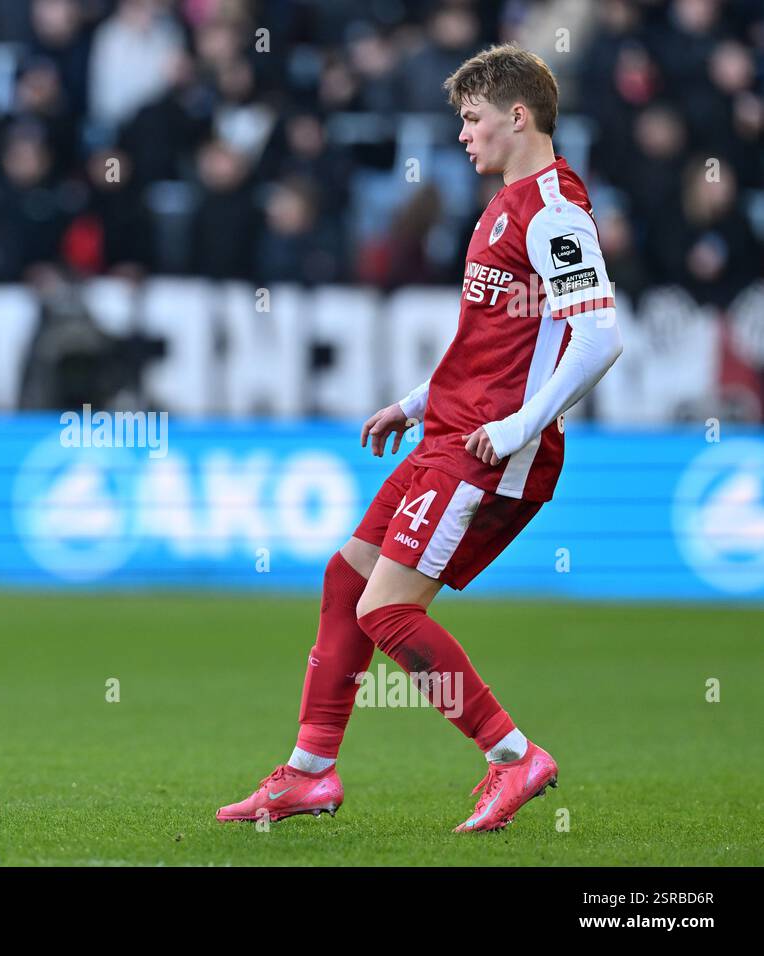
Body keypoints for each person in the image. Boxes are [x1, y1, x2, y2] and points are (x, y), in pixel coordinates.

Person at [217, 44, 624, 833]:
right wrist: (414, 402)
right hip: (447, 432)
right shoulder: (507, 204)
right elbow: (495, 344)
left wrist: (519, 425)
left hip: (490, 449)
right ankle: (309, 772)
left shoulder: (554, 211)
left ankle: (512, 755)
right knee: (347, 580)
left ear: (517, 116)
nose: (462, 135)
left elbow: (600, 335)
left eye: (472, 119)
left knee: (387, 611)